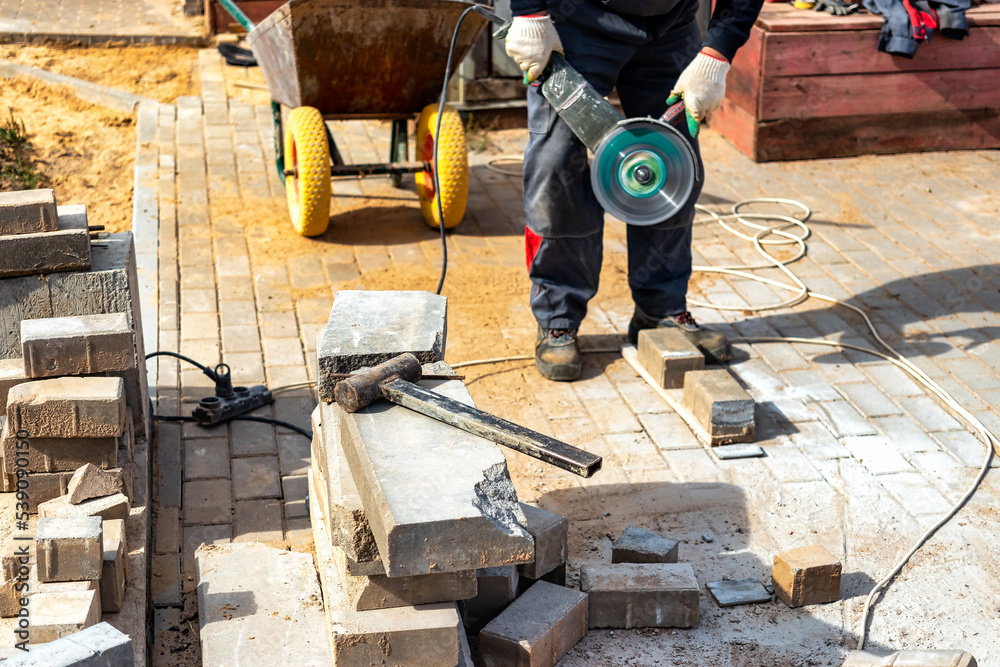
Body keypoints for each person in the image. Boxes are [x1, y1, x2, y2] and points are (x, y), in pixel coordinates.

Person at [505, 0, 764, 381]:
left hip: (670, 25)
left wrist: (718, 52)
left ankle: (660, 310)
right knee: (556, 165)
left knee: (672, 165)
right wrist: (529, 12)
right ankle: (558, 317)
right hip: (574, 18)